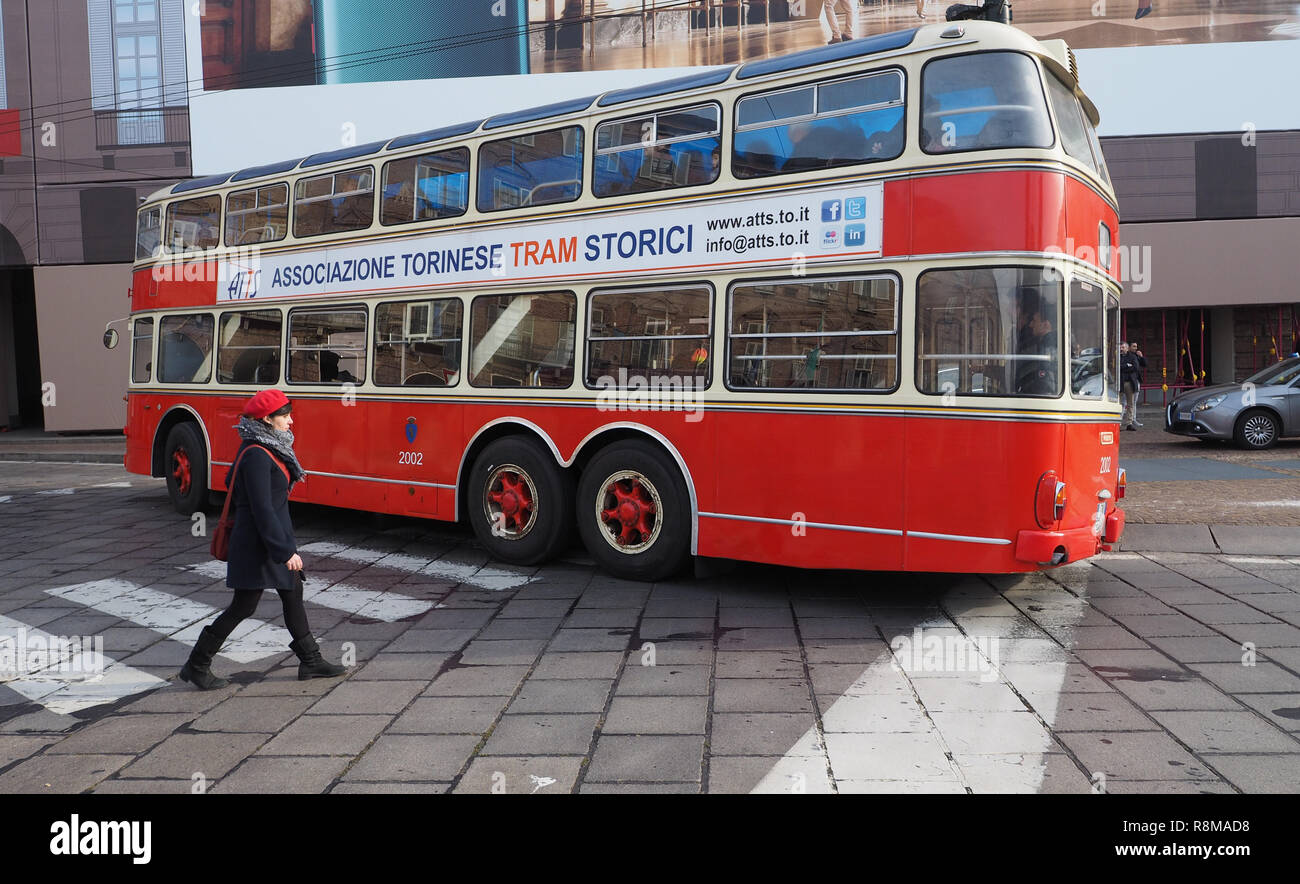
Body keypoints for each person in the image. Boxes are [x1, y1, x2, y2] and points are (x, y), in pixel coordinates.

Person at [179, 388, 345, 689]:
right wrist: (284, 552)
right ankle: (197, 664)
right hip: (257, 546)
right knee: (243, 606)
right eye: (285, 416)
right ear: (267, 418)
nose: (291, 421)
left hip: (269, 541)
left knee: (292, 591)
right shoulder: (256, 454)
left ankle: (310, 660)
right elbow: (261, 509)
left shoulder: (268, 448)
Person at [1119, 341, 1147, 430]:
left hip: (1129, 382)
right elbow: (1117, 367)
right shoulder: (1117, 357)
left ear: (1127, 348)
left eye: (1123, 347)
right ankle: (1118, 422)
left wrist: (1124, 367)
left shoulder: (1133, 357)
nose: (1121, 349)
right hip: (1120, 382)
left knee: (1130, 403)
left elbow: (1135, 367)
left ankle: (1129, 423)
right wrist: (1127, 366)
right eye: (1120, 347)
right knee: (1120, 403)